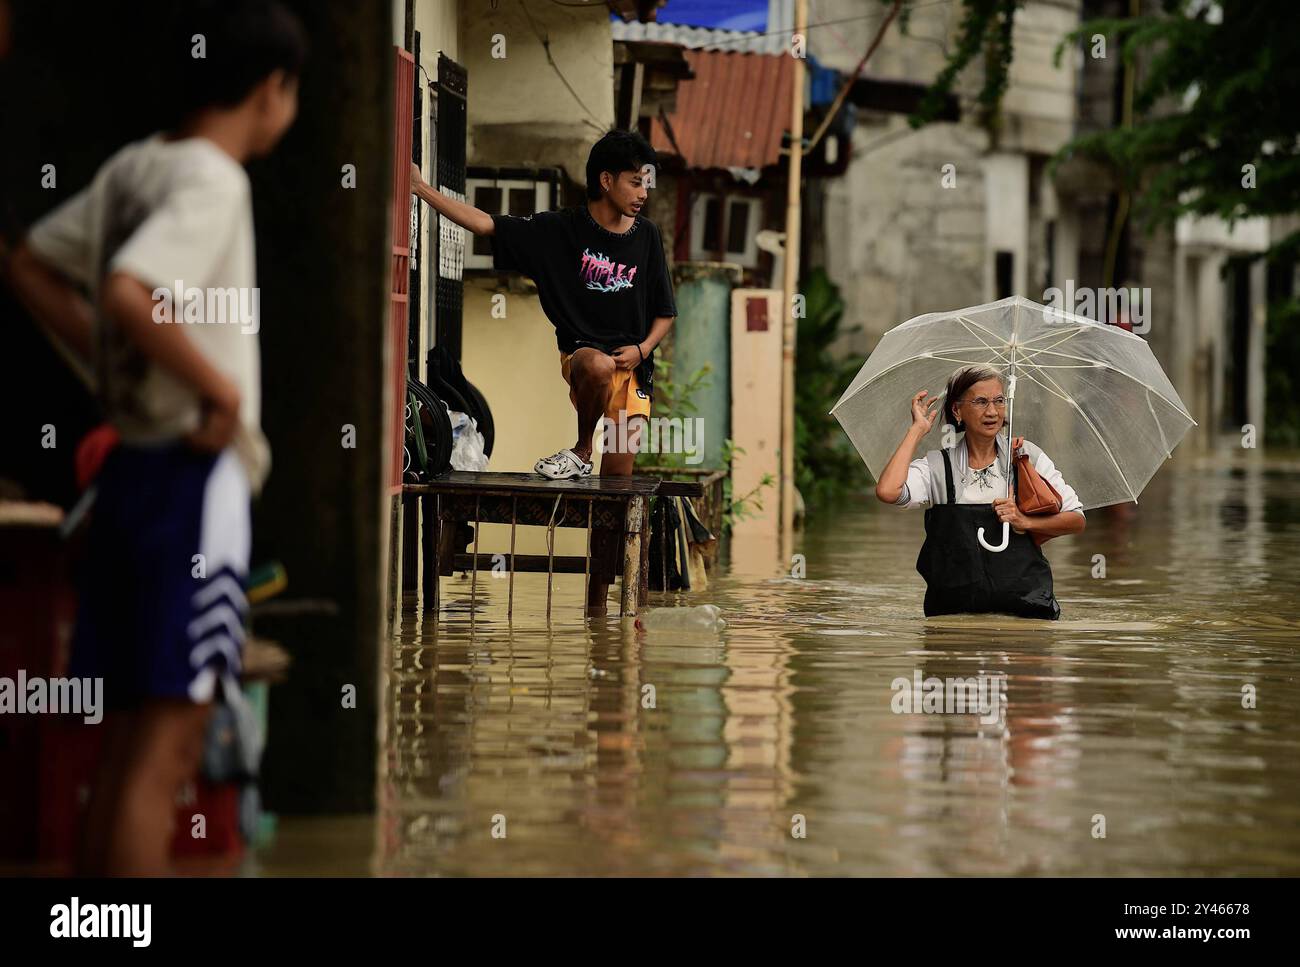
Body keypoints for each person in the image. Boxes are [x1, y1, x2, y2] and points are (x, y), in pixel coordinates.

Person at [3, 0, 306, 873]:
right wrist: (216, 390)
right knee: (165, 755)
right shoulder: (216, 181)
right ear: (270, 90)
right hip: (193, 482)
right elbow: (135, 292)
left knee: (124, 748)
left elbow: (28, 263)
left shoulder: (138, 167)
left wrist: (108, 368)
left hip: (128, 484)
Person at [411, 129, 678, 612]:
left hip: (633, 375)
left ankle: (599, 607)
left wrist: (641, 350)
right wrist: (420, 188)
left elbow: (665, 313)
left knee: (616, 492)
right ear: (606, 179)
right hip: (584, 361)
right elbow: (487, 224)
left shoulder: (649, 238)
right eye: (637, 182)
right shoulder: (561, 230)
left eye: (647, 184)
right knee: (596, 364)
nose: (643, 194)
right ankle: (579, 449)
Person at [874, 365, 1085, 619]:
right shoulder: (938, 467)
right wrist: (916, 430)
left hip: (1024, 617)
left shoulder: (1025, 457)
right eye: (981, 402)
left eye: (998, 401)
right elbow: (888, 491)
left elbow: (1076, 520)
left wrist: (1024, 521)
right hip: (952, 617)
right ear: (957, 410)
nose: (992, 412)